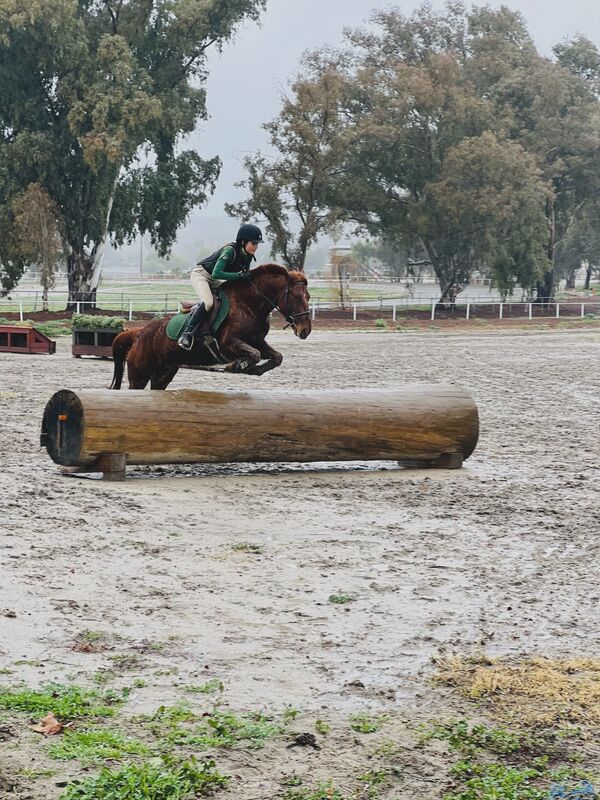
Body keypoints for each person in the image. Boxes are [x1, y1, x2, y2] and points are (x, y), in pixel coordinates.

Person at [178, 223, 264, 350]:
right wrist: (238, 276)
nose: (256, 247)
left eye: (257, 244)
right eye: (253, 243)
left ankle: (214, 328)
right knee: (208, 303)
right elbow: (216, 273)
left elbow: (242, 277)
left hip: (215, 279)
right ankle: (186, 334)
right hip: (201, 275)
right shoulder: (229, 251)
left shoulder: (248, 257)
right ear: (243, 242)